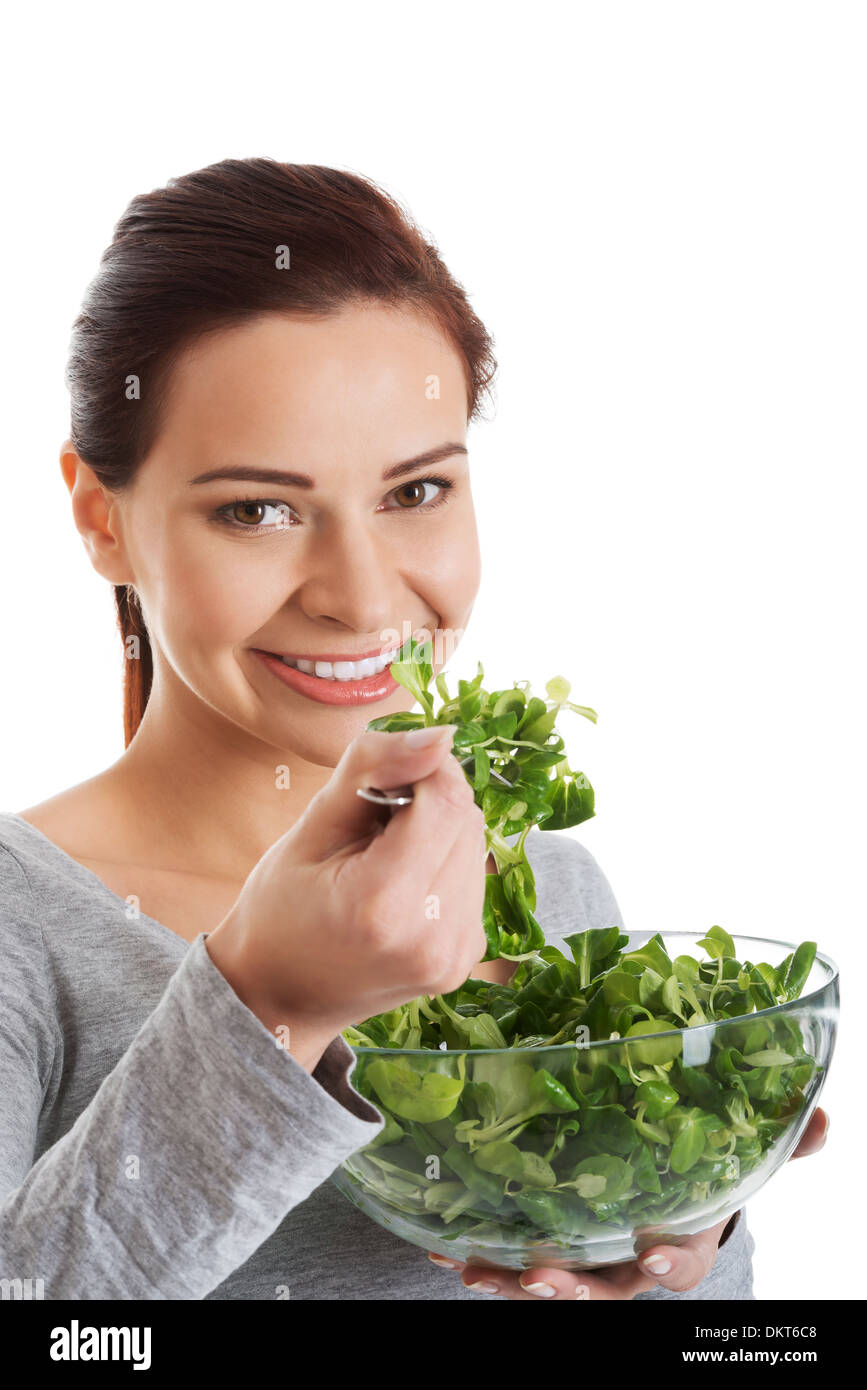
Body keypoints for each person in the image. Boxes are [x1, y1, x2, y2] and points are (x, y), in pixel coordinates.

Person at [0, 158, 827, 1302]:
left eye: (415, 493)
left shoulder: (553, 894)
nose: (362, 596)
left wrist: (685, 1232)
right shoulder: (20, 925)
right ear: (102, 519)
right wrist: (268, 1010)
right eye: (258, 509)